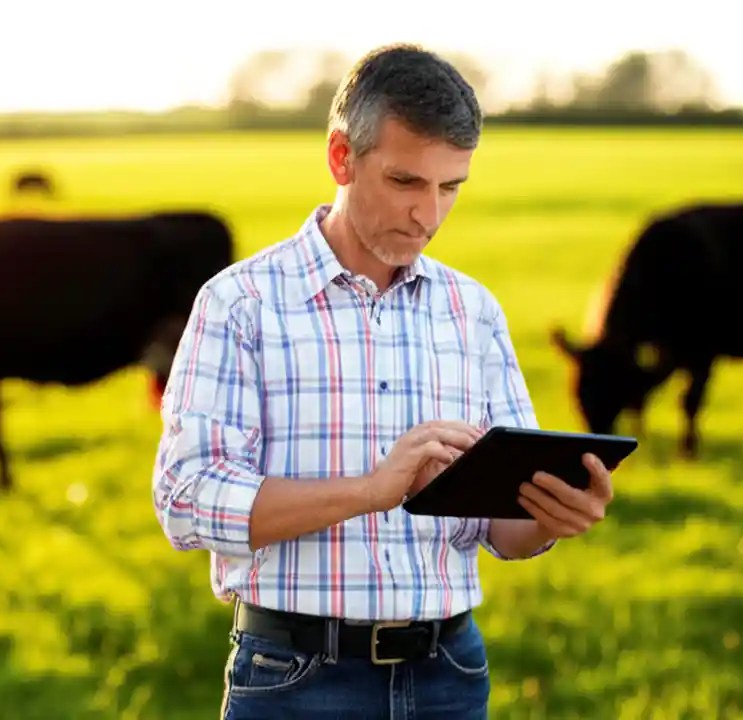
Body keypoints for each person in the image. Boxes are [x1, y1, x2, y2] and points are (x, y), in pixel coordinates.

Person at [151, 43, 617, 719]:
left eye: (449, 187)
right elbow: (187, 502)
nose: (428, 214)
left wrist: (552, 518)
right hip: (295, 681)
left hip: (450, 676)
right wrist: (371, 491)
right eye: (406, 183)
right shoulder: (240, 303)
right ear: (342, 157)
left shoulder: (472, 311)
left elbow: (503, 531)